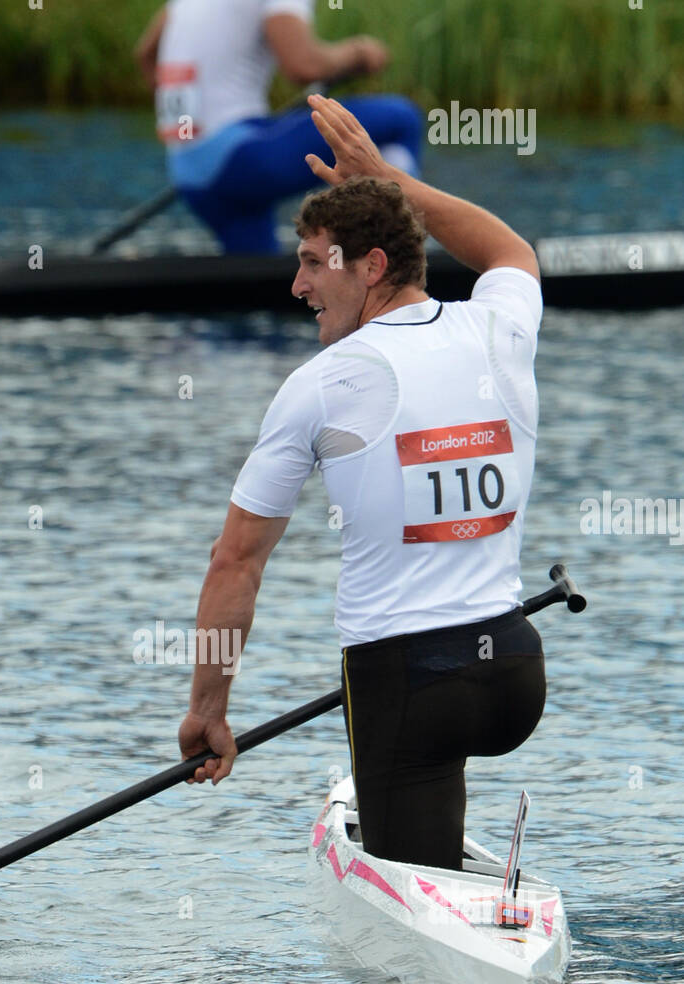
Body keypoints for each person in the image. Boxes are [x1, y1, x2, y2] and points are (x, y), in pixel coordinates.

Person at [177, 95, 547, 872]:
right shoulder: (498, 328)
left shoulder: (324, 382)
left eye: (315, 262)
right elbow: (510, 252)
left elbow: (234, 562)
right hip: (515, 673)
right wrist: (389, 181)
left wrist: (208, 710)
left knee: (402, 975)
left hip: (410, 687)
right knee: (433, 814)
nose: (298, 286)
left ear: (371, 267)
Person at [134, 1, 422, 254]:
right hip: (240, 161)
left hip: (188, 172)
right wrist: (360, 54)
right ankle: (401, 254)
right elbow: (303, 66)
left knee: (260, 284)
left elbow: (146, 54)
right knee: (400, 118)